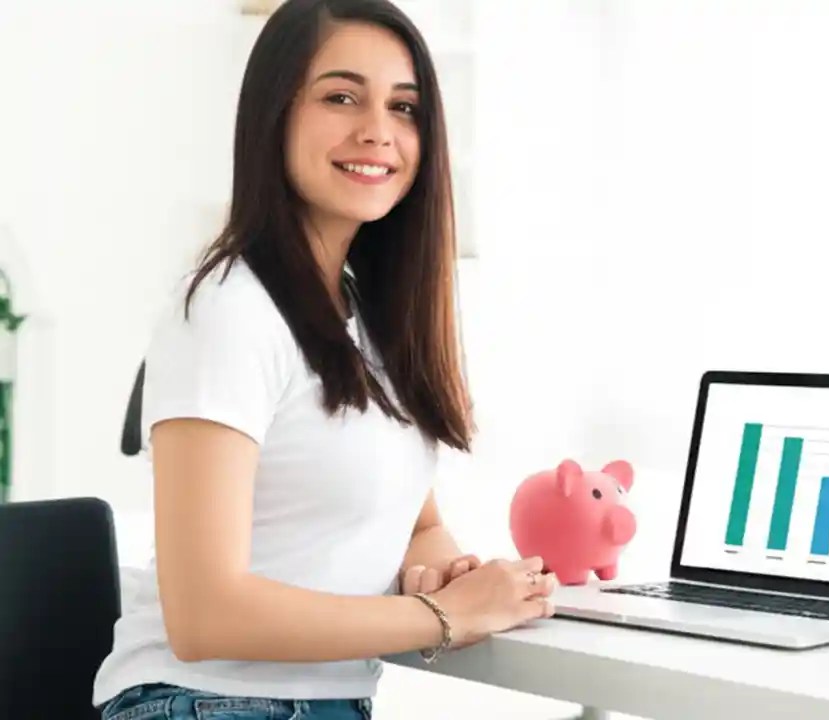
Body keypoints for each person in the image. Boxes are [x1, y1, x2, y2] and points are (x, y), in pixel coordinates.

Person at [92, 1, 557, 718]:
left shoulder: (367, 317)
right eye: (341, 97)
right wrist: (447, 616)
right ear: (274, 114)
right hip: (202, 702)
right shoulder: (226, 309)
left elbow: (418, 525)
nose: (378, 130)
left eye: (404, 108)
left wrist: (442, 572)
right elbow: (203, 613)